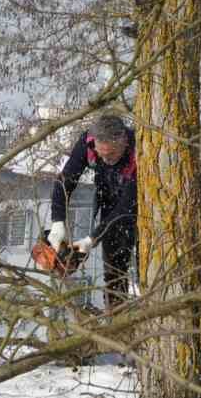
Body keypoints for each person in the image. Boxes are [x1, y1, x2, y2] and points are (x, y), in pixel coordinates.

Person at [47, 113, 138, 312]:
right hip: (107, 196)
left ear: (123, 141)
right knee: (114, 269)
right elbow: (65, 181)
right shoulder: (87, 143)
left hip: (137, 203)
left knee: (144, 263)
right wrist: (58, 222)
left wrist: (92, 239)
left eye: (112, 155)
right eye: (102, 155)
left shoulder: (138, 151)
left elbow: (126, 208)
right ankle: (117, 316)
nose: (106, 159)